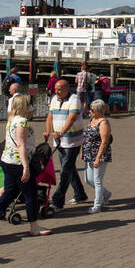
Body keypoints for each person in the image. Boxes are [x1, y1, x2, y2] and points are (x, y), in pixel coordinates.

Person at [0, 95, 51, 237]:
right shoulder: (22, 122)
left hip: (8, 161)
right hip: (18, 162)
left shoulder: (11, 120)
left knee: (8, 193)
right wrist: (26, 167)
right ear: (24, 106)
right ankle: (34, 226)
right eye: (28, 105)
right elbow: (21, 145)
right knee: (30, 194)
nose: (31, 107)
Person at [47, 79, 87, 211]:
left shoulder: (74, 99)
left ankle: (57, 201)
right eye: (55, 89)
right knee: (70, 169)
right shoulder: (54, 99)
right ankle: (80, 194)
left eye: (59, 89)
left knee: (65, 171)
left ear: (66, 89)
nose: (56, 92)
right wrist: (48, 132)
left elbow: (72, 117)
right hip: (59, 141)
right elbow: (50, 116)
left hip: (72, 141)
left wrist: (62, 132)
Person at [83, 99, 113, 213]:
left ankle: (97, 205)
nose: (89, 111)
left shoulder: (103, 122)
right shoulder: (92, 120)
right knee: (88, 179)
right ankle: (106, 194)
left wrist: (98, 157)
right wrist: (83, 150)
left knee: (97, 179)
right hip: (89, 153)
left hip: (99, 154)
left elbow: (104, 141)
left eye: (92, 109)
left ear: (98, 110)